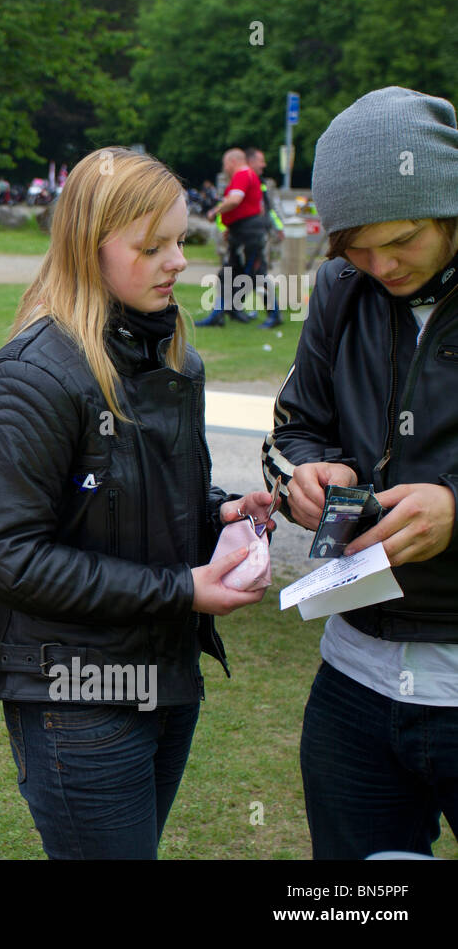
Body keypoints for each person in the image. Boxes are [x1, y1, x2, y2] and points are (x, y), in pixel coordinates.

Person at [0, 147, 274, 859]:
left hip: (167, 677)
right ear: (87, 245)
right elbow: (5, 556)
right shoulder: (28, 381)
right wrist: (181, 589)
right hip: (76, 696)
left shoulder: (172, 361)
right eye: (151, 245)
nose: (176, 263)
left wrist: (218, 513)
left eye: (182, 241)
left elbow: (143, 501)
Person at [261, 86, 458, 860]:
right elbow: (292, 427)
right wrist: (307, 474)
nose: (380, 265)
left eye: (401, 240)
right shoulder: (343, 291)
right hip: (354, 672)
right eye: (355, 248)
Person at [199, 148, 269, 327]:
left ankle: (272, 314)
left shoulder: (242, 175)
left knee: (250, 274)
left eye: (225, 164)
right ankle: (224, 312)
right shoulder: (251, 176)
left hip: (247, 234)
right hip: (244, 232)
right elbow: (254, 207)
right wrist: (232, 227)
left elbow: (235, 200)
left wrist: (215, 211)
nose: (225, 168)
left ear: (231, 162)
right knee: (232, 274)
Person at [246, 147, 284, 328]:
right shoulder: (244, 181)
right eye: (261, 160)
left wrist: (278, 228)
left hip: (258, 237)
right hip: (245, 238)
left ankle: (274, 314)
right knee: (240, 274)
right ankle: (230, 311)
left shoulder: (261, 183)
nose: (264, 165)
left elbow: (270, 209)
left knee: (258, 274)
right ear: (250, 161)